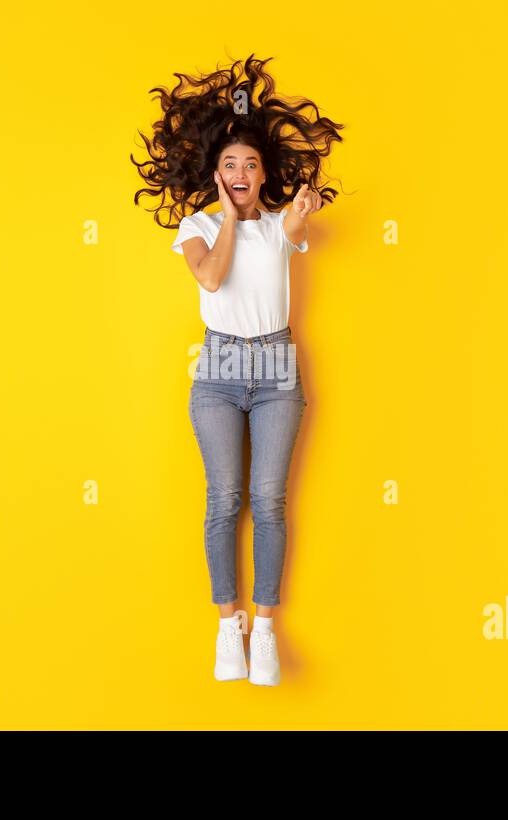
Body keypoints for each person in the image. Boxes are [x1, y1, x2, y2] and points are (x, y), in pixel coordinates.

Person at [132, 54, 345, 685]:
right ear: (216, 173)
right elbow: (212, 276)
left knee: (269, 501)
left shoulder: (282, 225)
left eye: (251, 164)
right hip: (220, 366)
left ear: (264, 171)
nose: (243, 172)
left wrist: (299, 212)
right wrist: (227, 214)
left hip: (278, 364)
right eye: (231, 165)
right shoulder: (196, 225)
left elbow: (301, 229)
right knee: (224, 500)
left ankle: (268, 629)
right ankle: (230, 627)